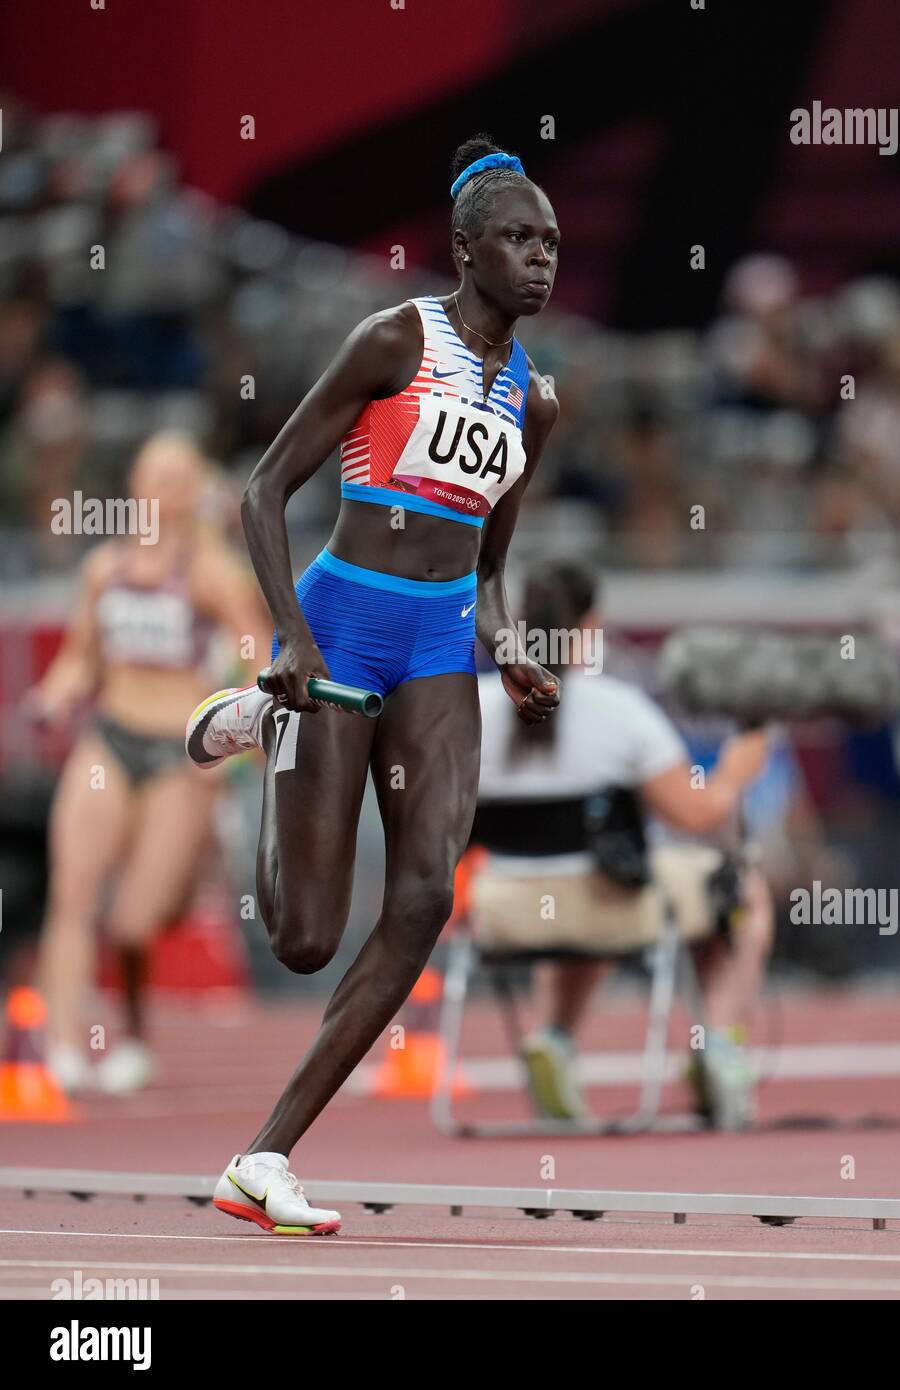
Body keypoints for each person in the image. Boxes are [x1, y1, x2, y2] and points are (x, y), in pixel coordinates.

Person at [185, 135, 562, 1235]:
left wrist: (509, 638)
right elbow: (262, 492)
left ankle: (264, 1157)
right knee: (304, 935)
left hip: (441, 646)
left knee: (424, 895)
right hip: (340, 627)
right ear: (464, 249)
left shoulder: (536, 404)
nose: (541, 259)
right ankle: (259, 721)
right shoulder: (395, 339)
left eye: (551, 242)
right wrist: (290, 639)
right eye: (519, 239)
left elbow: (489, 559)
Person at [474, 560, 771, 1129]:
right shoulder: (620, 712)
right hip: (606, 903)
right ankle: (720, 1045)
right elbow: (697, 811)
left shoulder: (472, 708)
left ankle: (555, 1040)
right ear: (592, 624)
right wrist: (738, 770)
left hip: (501, 907)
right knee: (740, 892)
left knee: (590, 887)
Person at [26, 429, 268, 1093]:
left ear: (193, 490)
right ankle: (63, 1047)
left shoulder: (209, 571)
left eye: (177, 478)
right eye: (154, 475)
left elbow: (259, 651)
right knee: (72, 893)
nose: (164, 489)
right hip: (110, 738)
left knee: (135, 920)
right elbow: (82, 654)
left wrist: (237, 735)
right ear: (134, 484)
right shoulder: (104, 568)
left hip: (176, 753)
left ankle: (131, 1035)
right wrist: (53, 695)